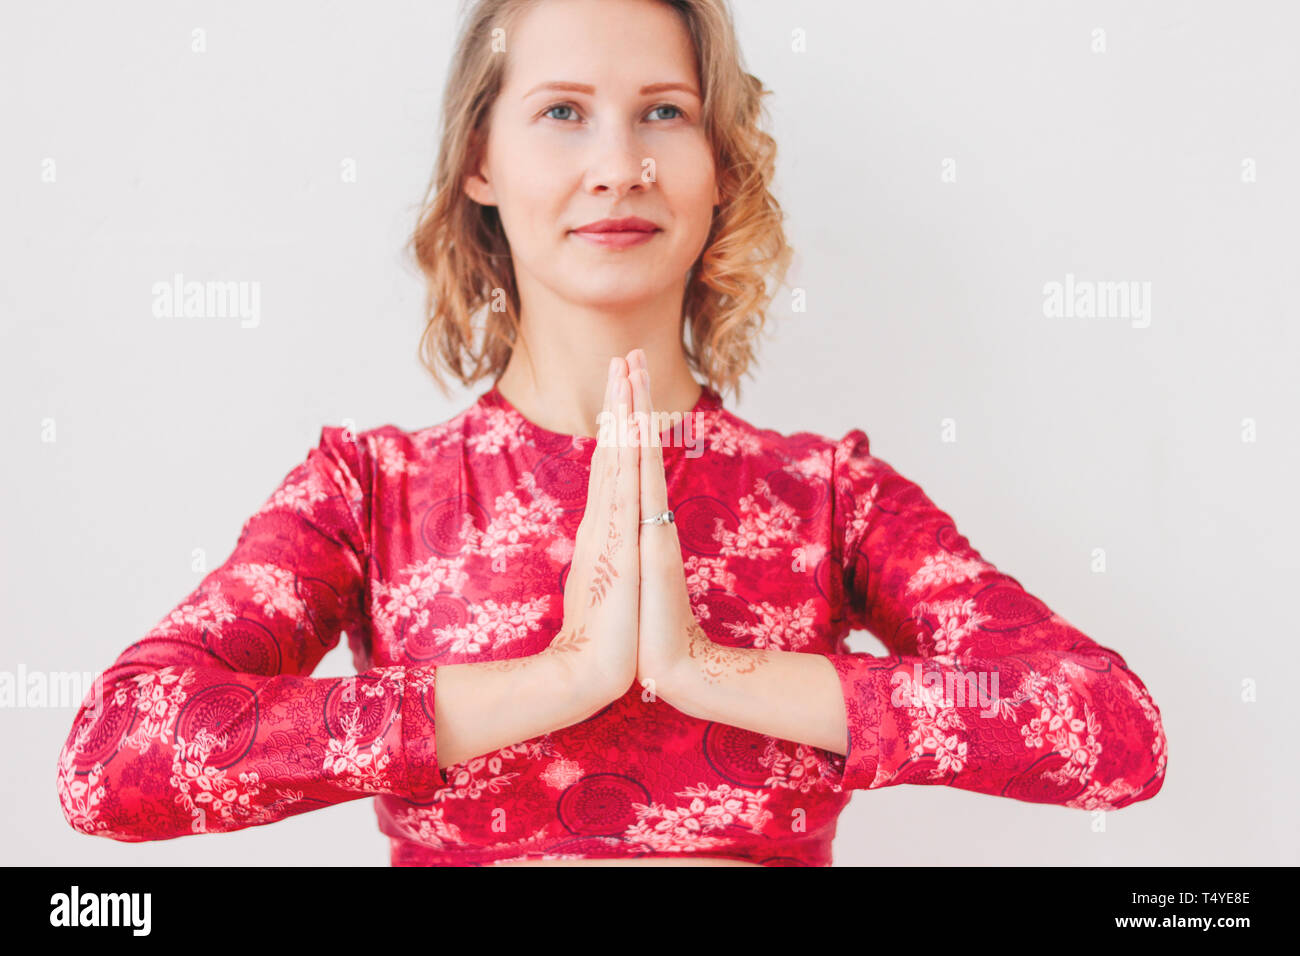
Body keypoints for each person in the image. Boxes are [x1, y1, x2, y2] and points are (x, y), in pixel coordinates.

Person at [56, 0, 1167, 867]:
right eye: (561, 110)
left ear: (718, 163)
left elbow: (1110, 729)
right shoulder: (372, 491)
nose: (620, 164)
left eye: (664, 112)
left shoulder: (830, 496)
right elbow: (116, 756)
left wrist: (713, 669)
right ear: (479, 161)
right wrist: (565, 673)